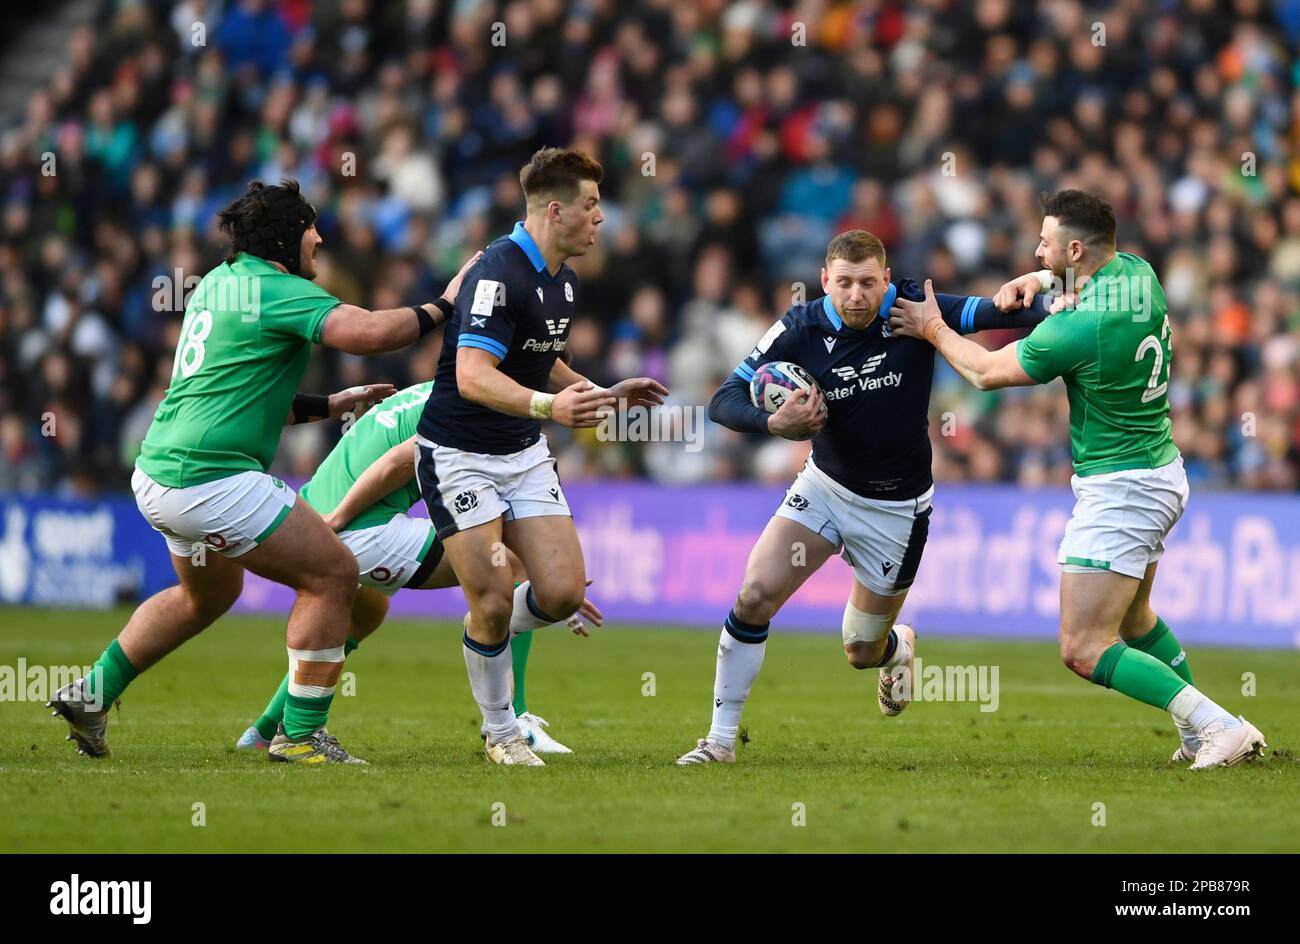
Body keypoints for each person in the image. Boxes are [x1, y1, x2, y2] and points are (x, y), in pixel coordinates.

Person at [49, 179, 474, 765]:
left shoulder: (219, 286)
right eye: (311, 228)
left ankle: (94, 692)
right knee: (333, 574)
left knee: (208, 594)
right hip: (211, 477)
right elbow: (370, 334)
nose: (320, 238)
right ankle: (297, 737)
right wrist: (446, 303)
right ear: (286, 237)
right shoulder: (274, 286)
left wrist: (328, 406)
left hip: (158, 474)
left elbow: (233, 394)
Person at [889, 189, 1266, 769]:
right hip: (1159, 469)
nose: (1035, 251)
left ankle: (1216, 724)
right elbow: (1081, 280)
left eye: (1043, 245)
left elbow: (985, 372)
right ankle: (1203, 731)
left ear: (1072, 248)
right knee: (1136, 619)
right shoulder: (1139, 273)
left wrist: (933, 327)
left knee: (1084, 646)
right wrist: (1039, 282)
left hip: (1123, 489)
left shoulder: (1082, 327)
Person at [676, 229, 1050, 765]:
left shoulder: (916, 312)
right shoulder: (798, 327)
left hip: (897, 509)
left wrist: (1064, 303)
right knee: (755, 594)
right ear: (824, 281)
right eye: (844, 283)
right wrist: (772, 422)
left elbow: (999, 314)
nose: (856, 296)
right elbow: (723, 399)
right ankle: (719, 741)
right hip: (824, 488)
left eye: (868, 283)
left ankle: (896, 647)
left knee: (859, 651)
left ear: (887, 281)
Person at [416, 147, 666, 766]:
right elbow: (473, 376)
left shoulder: (563, 280)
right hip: (460, 454)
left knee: (558, 594)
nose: (600, 218)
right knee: (497, 598)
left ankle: (483, 636)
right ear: (556, 211)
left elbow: (535, 358)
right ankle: (501, 730)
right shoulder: (498, 273)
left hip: (521, 453)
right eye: (591, 205)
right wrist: (548, 409)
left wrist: (593, 391)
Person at [233, 380, 602, 755]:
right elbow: (396, 462)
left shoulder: (442, 387)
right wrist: (545, 581)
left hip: (312, 510)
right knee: (507, 570)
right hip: (354, 527)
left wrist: (555, 582)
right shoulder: (469, 406)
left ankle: (263, 730)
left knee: (365, 611)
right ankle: (516, 719)